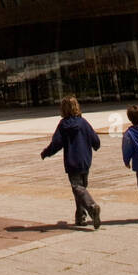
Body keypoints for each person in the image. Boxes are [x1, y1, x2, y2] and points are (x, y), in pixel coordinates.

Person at [40, 96, 101, 229]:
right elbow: (95, 139)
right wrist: (96, 145)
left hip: (72, 161)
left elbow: (56, 144)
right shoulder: (83, 122)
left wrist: (46, 153)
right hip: (85, 160)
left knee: (77, 188)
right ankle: (81, 218)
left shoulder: (63, 125)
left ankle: (92, 207)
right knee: (81, 189)